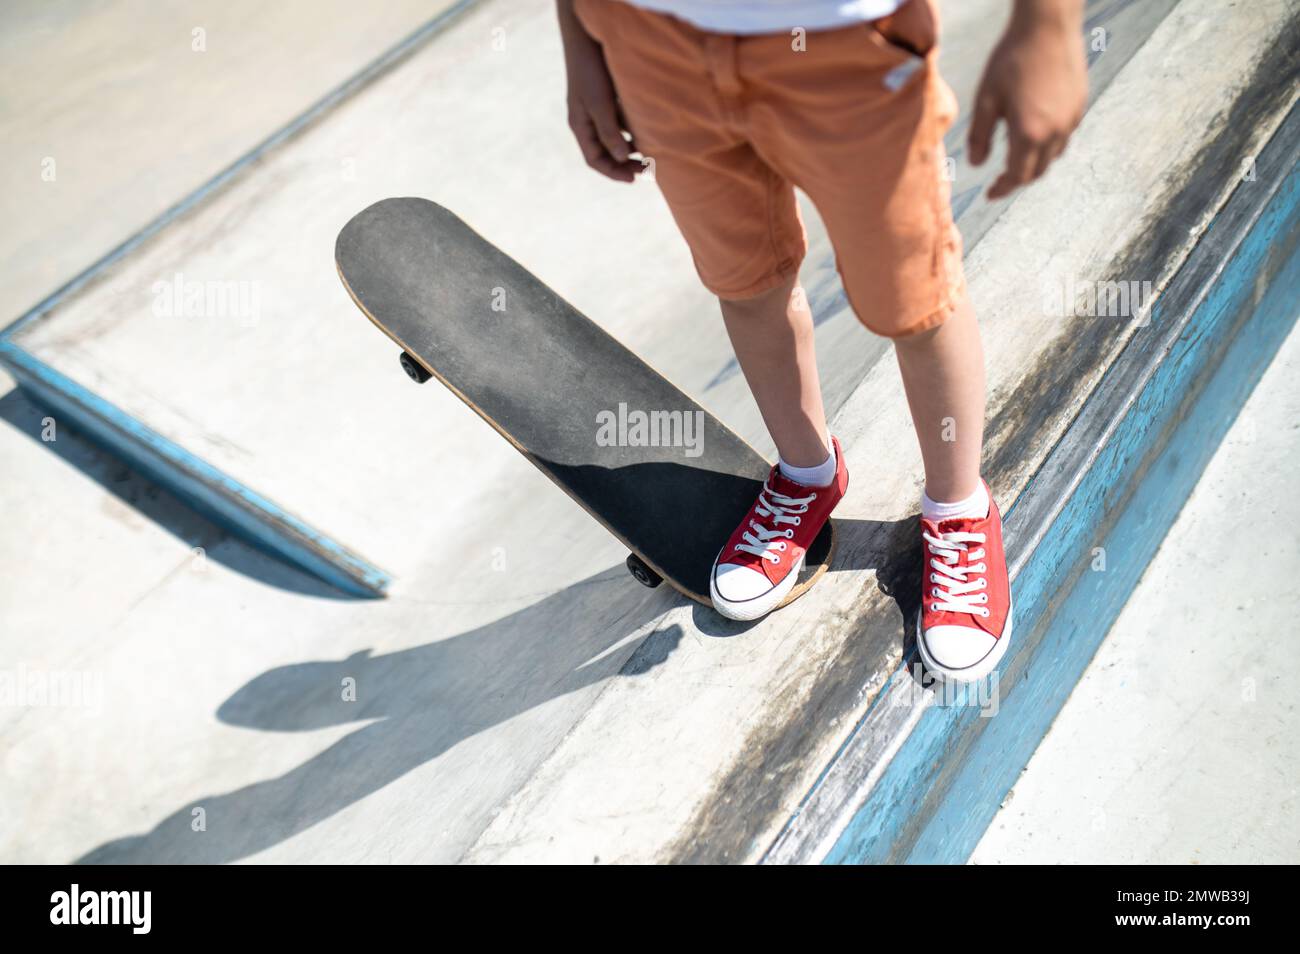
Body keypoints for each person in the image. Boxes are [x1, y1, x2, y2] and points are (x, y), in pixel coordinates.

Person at [557, 0, 1086, 681]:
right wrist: (580, 35)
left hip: (844, 42)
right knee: (745, 281)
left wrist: (1048, 24)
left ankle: (959, 508)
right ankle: (807, 474)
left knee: (916, 297)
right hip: (652, 43)